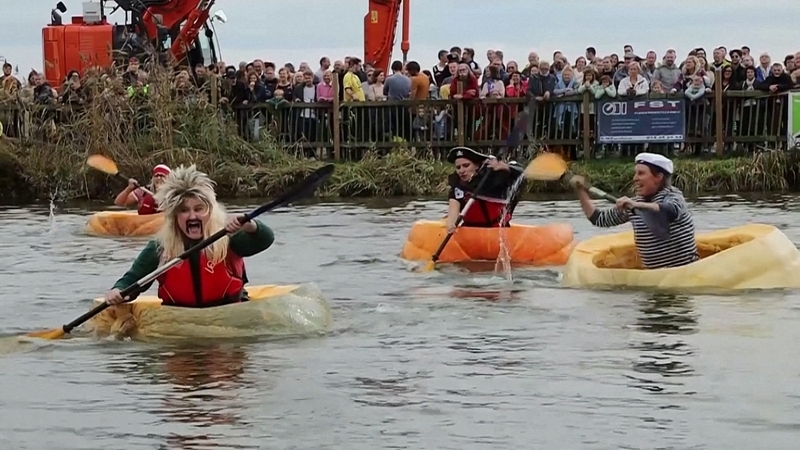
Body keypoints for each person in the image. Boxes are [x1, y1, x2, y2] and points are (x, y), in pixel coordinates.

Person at [105, 165, 275, 308]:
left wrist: (249, 225)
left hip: (228, 313)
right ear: (174, 216)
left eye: (198, 209)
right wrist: (118, 290)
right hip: (180, 320)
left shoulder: (228, 237)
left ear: (209, 211)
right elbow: (133, 279)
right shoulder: (160, 247)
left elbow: (265, 240)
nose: (192, 216)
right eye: (184, 210)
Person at [569, 152, 699, 269]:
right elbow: (598, 219)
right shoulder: (634, 204)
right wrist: (580, 191)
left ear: (658, 177)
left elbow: (669, 211)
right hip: (654, 276)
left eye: (641, 173)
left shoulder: (673, 196)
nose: (635, 178)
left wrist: (636, 205)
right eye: (635, 173)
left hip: (686, 271)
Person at [445, 146, 525, 233]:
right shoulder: (457, 187)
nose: (461, 170)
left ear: (476, 166)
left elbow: (522, 173)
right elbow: (453, 210)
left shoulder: (494, 179)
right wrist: (451, 224)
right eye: (458, 167)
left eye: (466, 165)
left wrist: (506, 167)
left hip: (498, 230)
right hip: (470, 231)